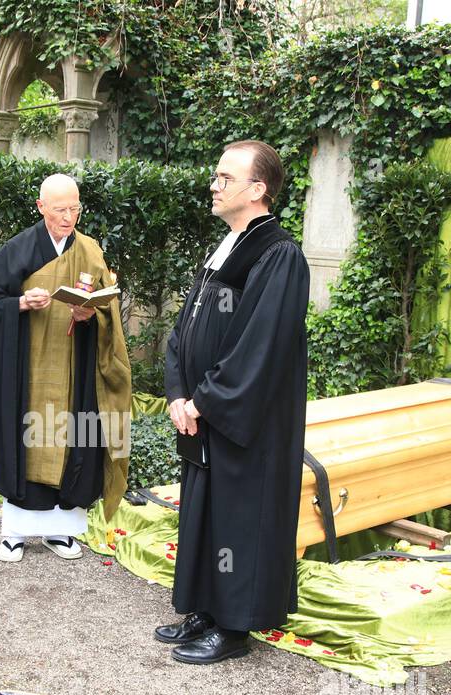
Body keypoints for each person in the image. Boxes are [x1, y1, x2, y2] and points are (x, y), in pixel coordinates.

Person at [156, 140, 309, 665]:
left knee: (241, 515)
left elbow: (259, 346)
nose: (214, 186)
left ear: (257, 189)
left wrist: (206, 400)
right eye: (217, 177)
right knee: (205, 510)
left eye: (225, 178)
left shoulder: (278, 254)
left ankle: (235, 625)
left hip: (245, 422)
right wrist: (177, 392)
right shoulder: (225, 246)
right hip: (201, 414)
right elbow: (186, 328)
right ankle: (204, 605)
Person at [0, 173, 131, 562]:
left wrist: (88, 314)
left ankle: (61, 531)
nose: (68, 217)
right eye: (60, 209)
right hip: (28, 368)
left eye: (74, 208)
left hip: (75, 367)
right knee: (26, 441)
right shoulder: (19, 249)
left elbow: (106, 307)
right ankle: (15, 532)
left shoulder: (90, 250)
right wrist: (21, 304)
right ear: (41, 206)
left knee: (74, 440)